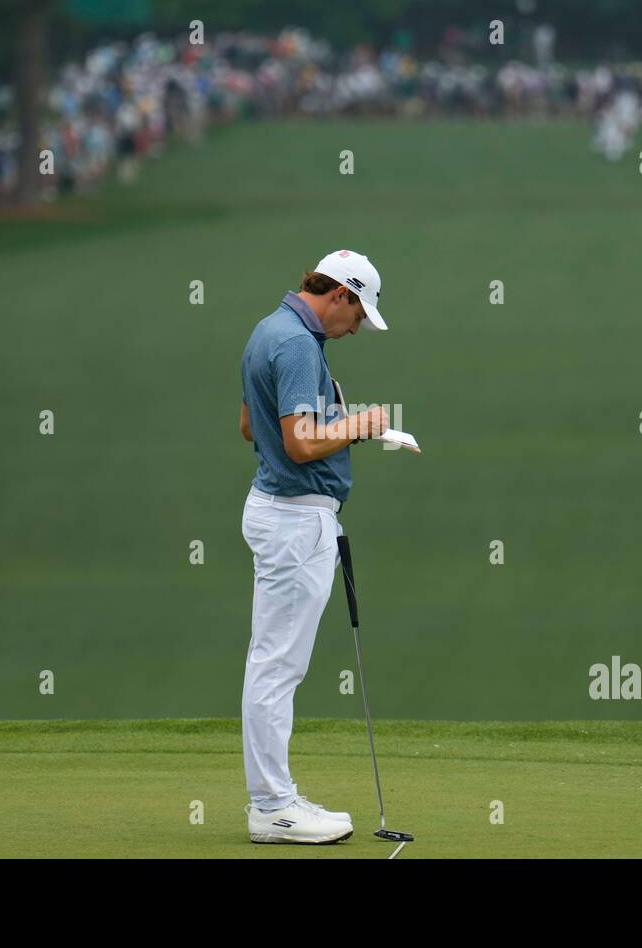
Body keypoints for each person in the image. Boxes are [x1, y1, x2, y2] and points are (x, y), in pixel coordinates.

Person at [238, 249, 392, 844]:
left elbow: (252, 426)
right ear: (341, 296)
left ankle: (274, 798)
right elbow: (299, 445)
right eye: (357, 317)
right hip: (295, 519)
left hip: (281, 512)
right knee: (278, 666)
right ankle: (273, 806)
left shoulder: (267, 330)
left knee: (273, 662)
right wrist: (363, 424)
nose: (355, 329)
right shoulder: (299, 344)